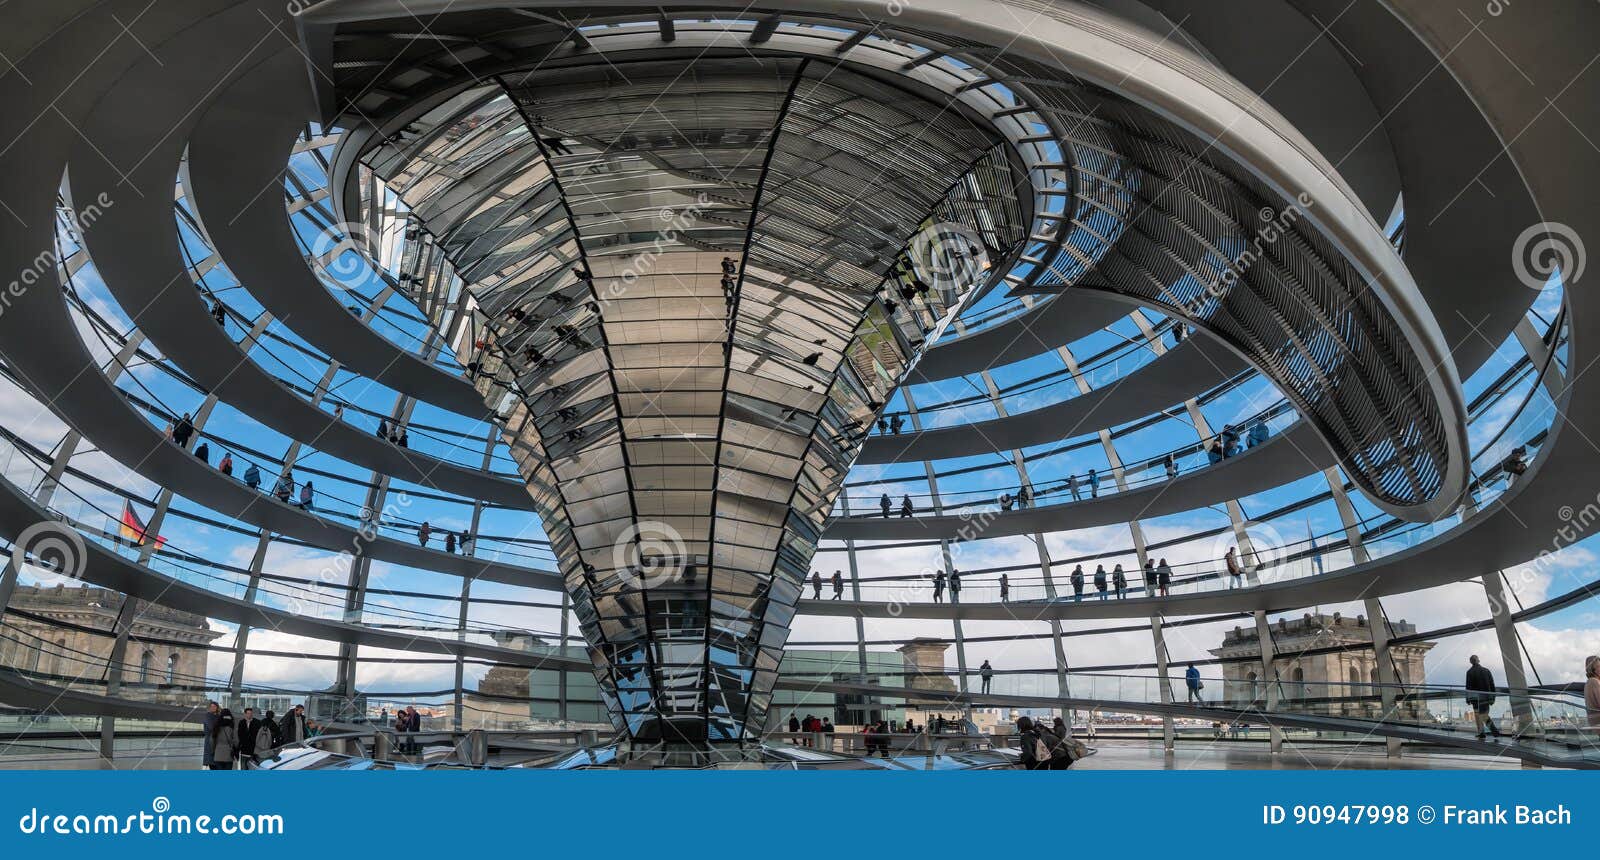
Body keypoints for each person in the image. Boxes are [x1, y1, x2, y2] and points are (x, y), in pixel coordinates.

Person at [1465, 655, 1501, 739]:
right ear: (1479, 660)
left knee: (1478, 716)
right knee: (1484, 715)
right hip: (1486, 698)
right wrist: (1493, 698)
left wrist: (1468, 699)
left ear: (1471, 662)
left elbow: (1468, 687)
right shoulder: (1486, 671)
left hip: (1475, 698)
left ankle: (1483, 732)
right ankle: (1493, 731)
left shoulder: (1469, 672)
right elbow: (1492, 685)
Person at [201, 700, 220, 768]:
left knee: (216, 762)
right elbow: (211, 727)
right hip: (210, 740)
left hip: (217, 740)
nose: (213, 708)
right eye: (211, 706)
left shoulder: (219, 716)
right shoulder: (208, 715)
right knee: (211, 760)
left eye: (214, 706)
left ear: (217, 707)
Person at [1584, 655, 1600, 727]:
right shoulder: (1594, 682)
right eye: (1599, 666)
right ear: (1592, 669)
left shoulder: (1588, 682)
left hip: (1594, 723)